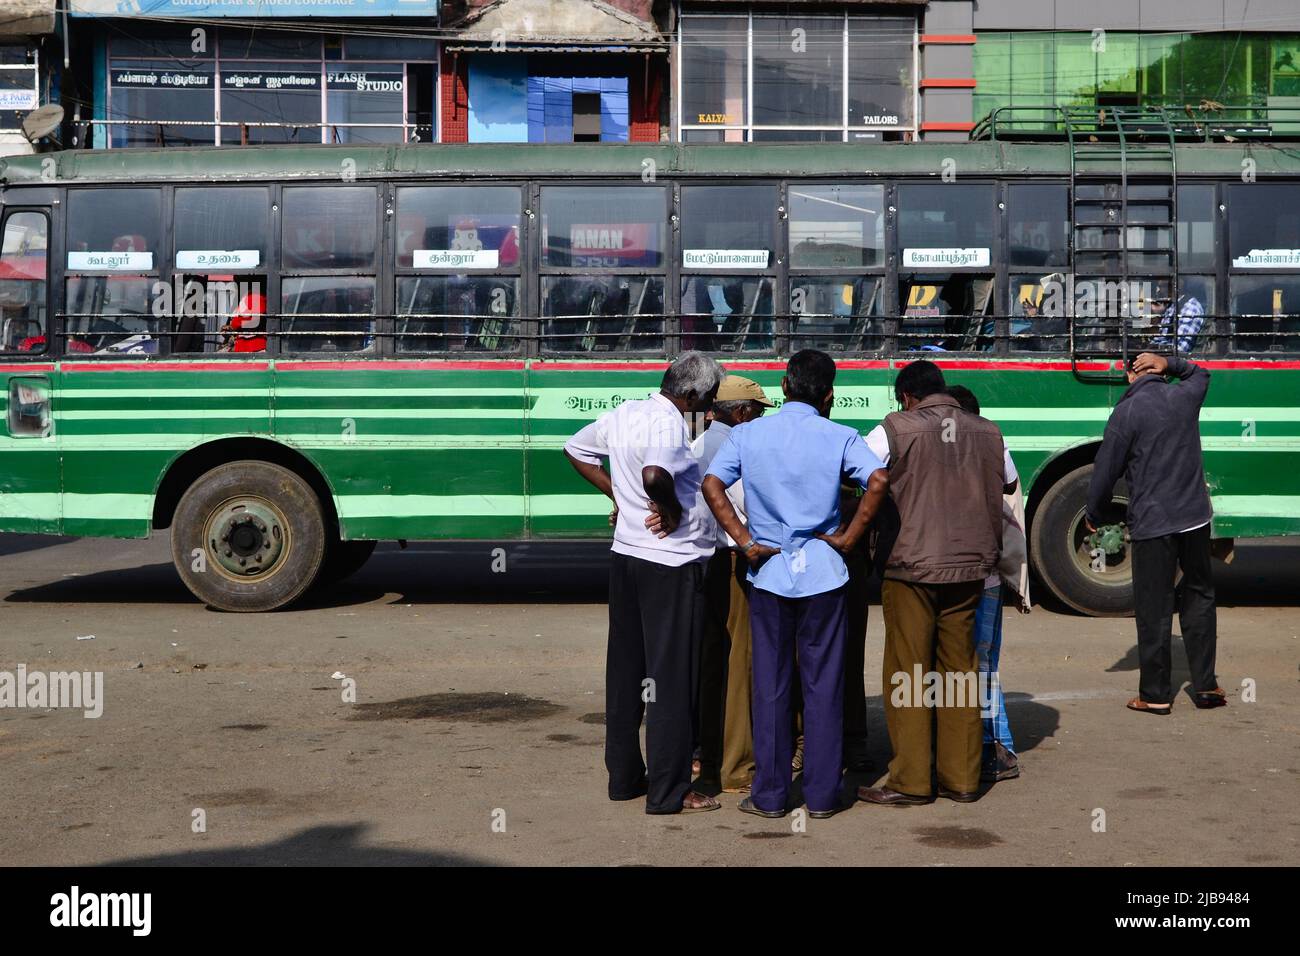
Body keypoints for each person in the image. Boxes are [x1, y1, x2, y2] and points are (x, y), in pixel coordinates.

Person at [703, 350, 889, 819]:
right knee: (824, 685)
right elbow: (880, 480)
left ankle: (769, 796)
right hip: (825, 575)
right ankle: (824, 796)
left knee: (770, 686)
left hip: (767, 574)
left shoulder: (747, 433)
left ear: (785, 385)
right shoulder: (841, 435)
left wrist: (744, 541)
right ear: (829, 394)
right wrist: (848, 537)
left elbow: (711, 486)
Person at [564, 351, 726, 814]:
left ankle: (624, 777)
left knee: (627, 671)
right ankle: (669, 791)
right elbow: (656, 475)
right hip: (671, 564)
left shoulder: (626, 412)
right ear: (690, 394)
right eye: (708, 400)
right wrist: (669, 506)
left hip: (628, 556)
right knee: (671, 679)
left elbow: (575, 450)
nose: (709, 411)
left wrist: (619, 492)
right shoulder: (668, 423)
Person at [858, 360, 1015, 806]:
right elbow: (1009, 482)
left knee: (909, 671)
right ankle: (962, 778)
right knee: (960, 669)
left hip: (912, 566)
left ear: (907, 396)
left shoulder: (894, 429)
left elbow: (861, 478)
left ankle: (911, 780)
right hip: (971, 567)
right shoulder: (988, 430)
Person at [1086, 351, 1224, 714]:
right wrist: (1171, 362)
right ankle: (1206, 687)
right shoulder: (1184, 396)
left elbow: (1105, 469)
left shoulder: (1127, 412)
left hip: (1153, 524)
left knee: (1155, 607)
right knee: (1199, 598)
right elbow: (1201, 374)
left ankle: (1156, 694)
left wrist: (1095, 513)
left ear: (1132, 375)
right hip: (1195, 519)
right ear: (1158, 372)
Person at [691, 375, 774, 794]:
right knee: (739, 667)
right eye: (758, 412)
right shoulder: (733, 446)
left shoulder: (699, 443)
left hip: (701, 561)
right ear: (741, 412)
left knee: (711, 665)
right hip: (731, 560)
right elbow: (742, 504)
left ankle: (704, 755)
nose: (760, 419)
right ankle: (737, 768)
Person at [946, 384, 1028, 783]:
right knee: (982, 662)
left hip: (955, 574)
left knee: (965, 664)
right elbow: (1010, 486)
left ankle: (996, 747)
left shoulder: (953, 442)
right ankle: (992, 746)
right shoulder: (994, 439)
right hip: (987, 573)